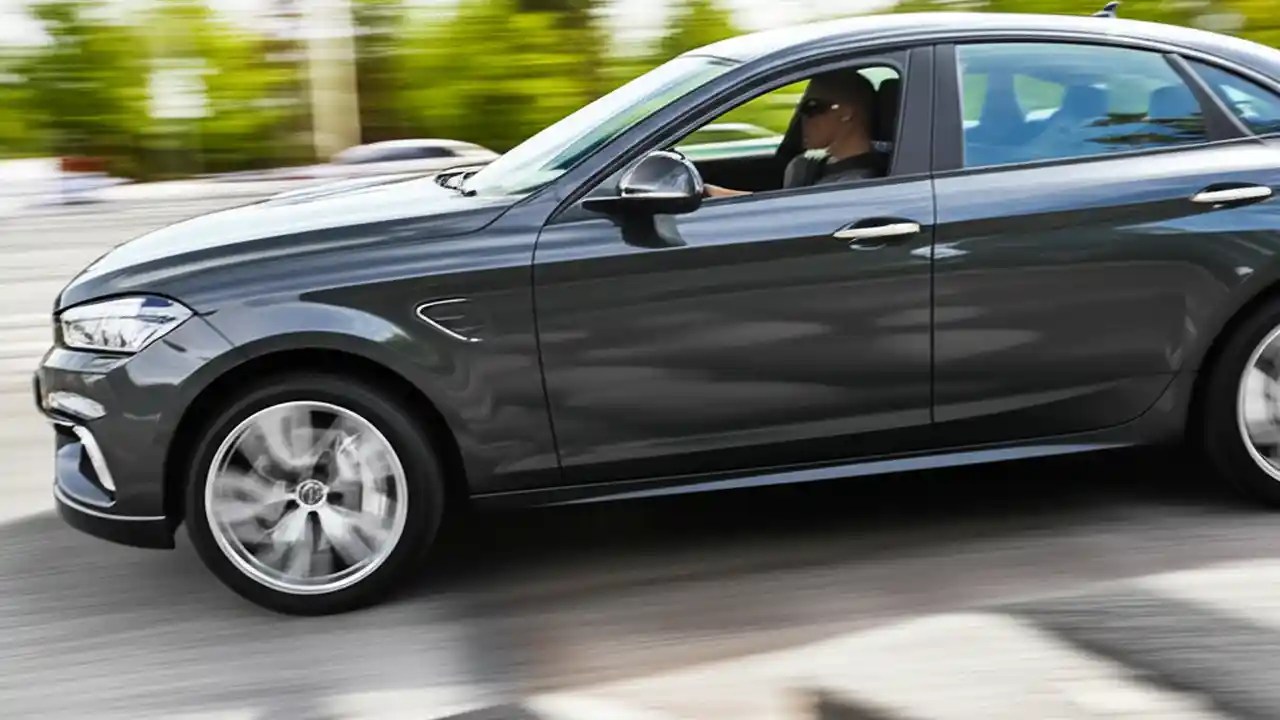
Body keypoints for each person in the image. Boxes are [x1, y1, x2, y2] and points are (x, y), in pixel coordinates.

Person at [703, 69, 887, 198]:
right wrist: (714, 193)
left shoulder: (857, 185)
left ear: (846, 113)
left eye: (812, 108)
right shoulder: (812, 165)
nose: (802, 118)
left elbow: (786, 217)